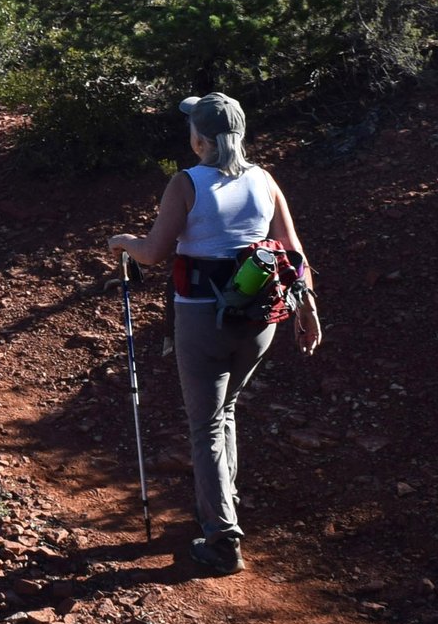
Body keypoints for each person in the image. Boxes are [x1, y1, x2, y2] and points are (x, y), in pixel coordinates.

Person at [108, 92, 321, 575]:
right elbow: (294, 251)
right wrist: (308, 306)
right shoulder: (264, 180)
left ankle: (223, 540)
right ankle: (222, 499)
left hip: (203, 318)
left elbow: (155, 252)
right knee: (224, 411)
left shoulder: (187, 182)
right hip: (263, 319)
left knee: (205, 422)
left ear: (199, 138)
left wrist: (122, 242)